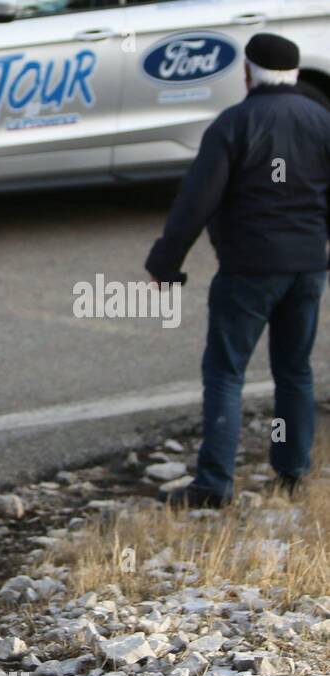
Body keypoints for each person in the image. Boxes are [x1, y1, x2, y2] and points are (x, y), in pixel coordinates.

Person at [145, 33, 330, 508]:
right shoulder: (321, 121)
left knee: (227, 373)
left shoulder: (234, 123)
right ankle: (291, 472)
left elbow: (196, 202)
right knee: (294, 370)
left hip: (248, 268)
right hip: (307, 267)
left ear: (247, 72)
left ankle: (213, 486)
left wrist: (166, 261)